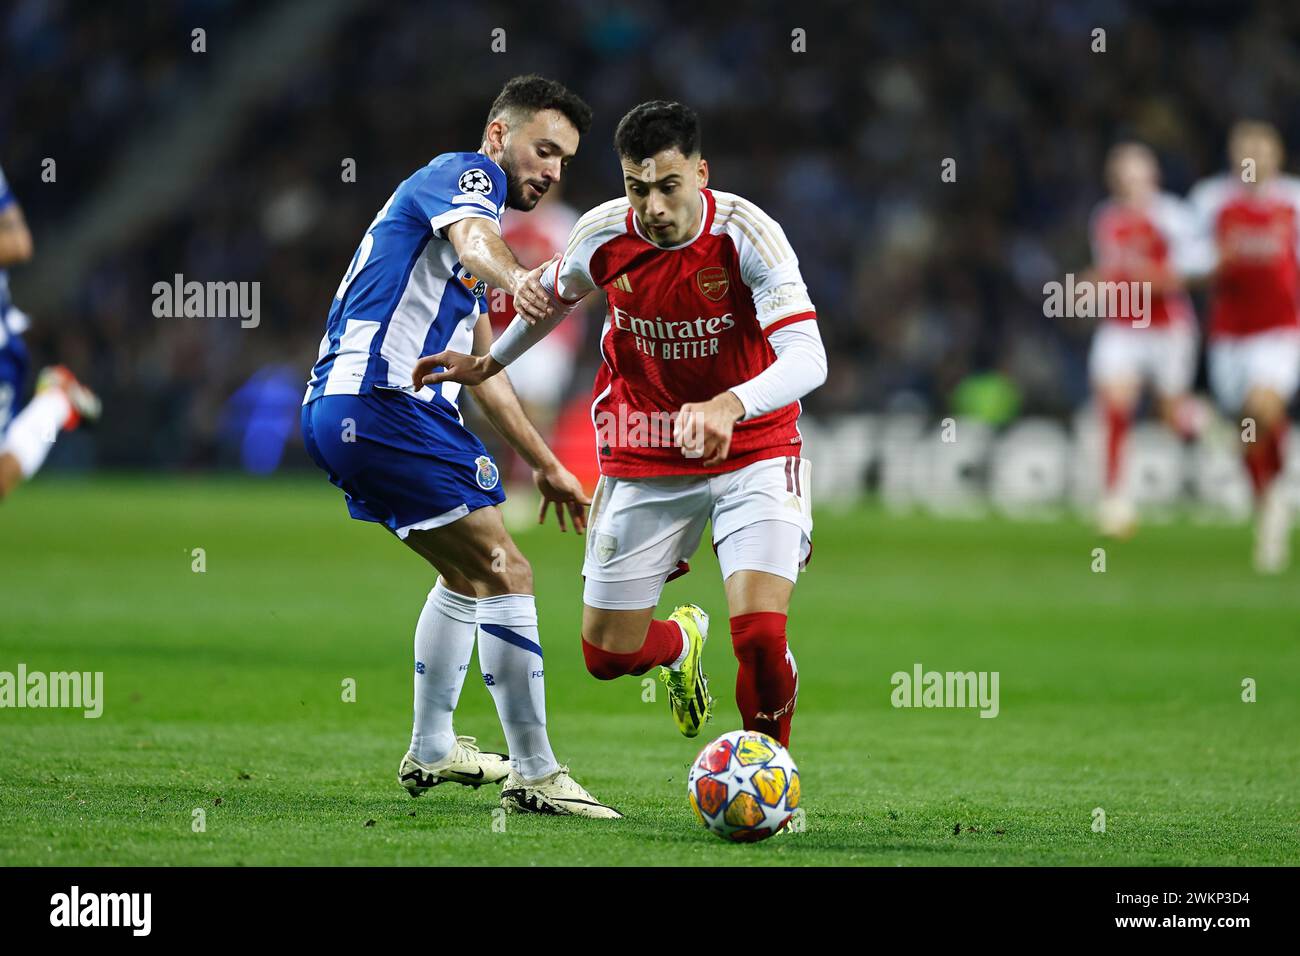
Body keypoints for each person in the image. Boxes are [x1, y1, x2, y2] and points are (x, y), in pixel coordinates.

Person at [416, 101, 827, 750]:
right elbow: (550, 296)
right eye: (638, 189)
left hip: (752, 447)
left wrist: (730, 405)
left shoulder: (749, 233)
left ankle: (766, 770)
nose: (654, 207)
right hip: (645, 453)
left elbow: (809, 356)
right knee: (607, 656)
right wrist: (488, 361)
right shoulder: (605, 233)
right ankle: (681, 641)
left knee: (759, 635)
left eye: (669, 187)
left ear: (700, 173)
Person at [301, 75, 618, 817]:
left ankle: (435, 745)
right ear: (499, 136)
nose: (551, 171)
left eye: (565, 161)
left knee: (470, 575)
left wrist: (547, 466)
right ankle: (536, 775)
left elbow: (487, 375)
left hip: (351, 409)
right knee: (507, 568)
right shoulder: (462, 178)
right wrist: (518, 278)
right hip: (382, 403)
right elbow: (480, 242)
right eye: (543, 150)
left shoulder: (457, 251)